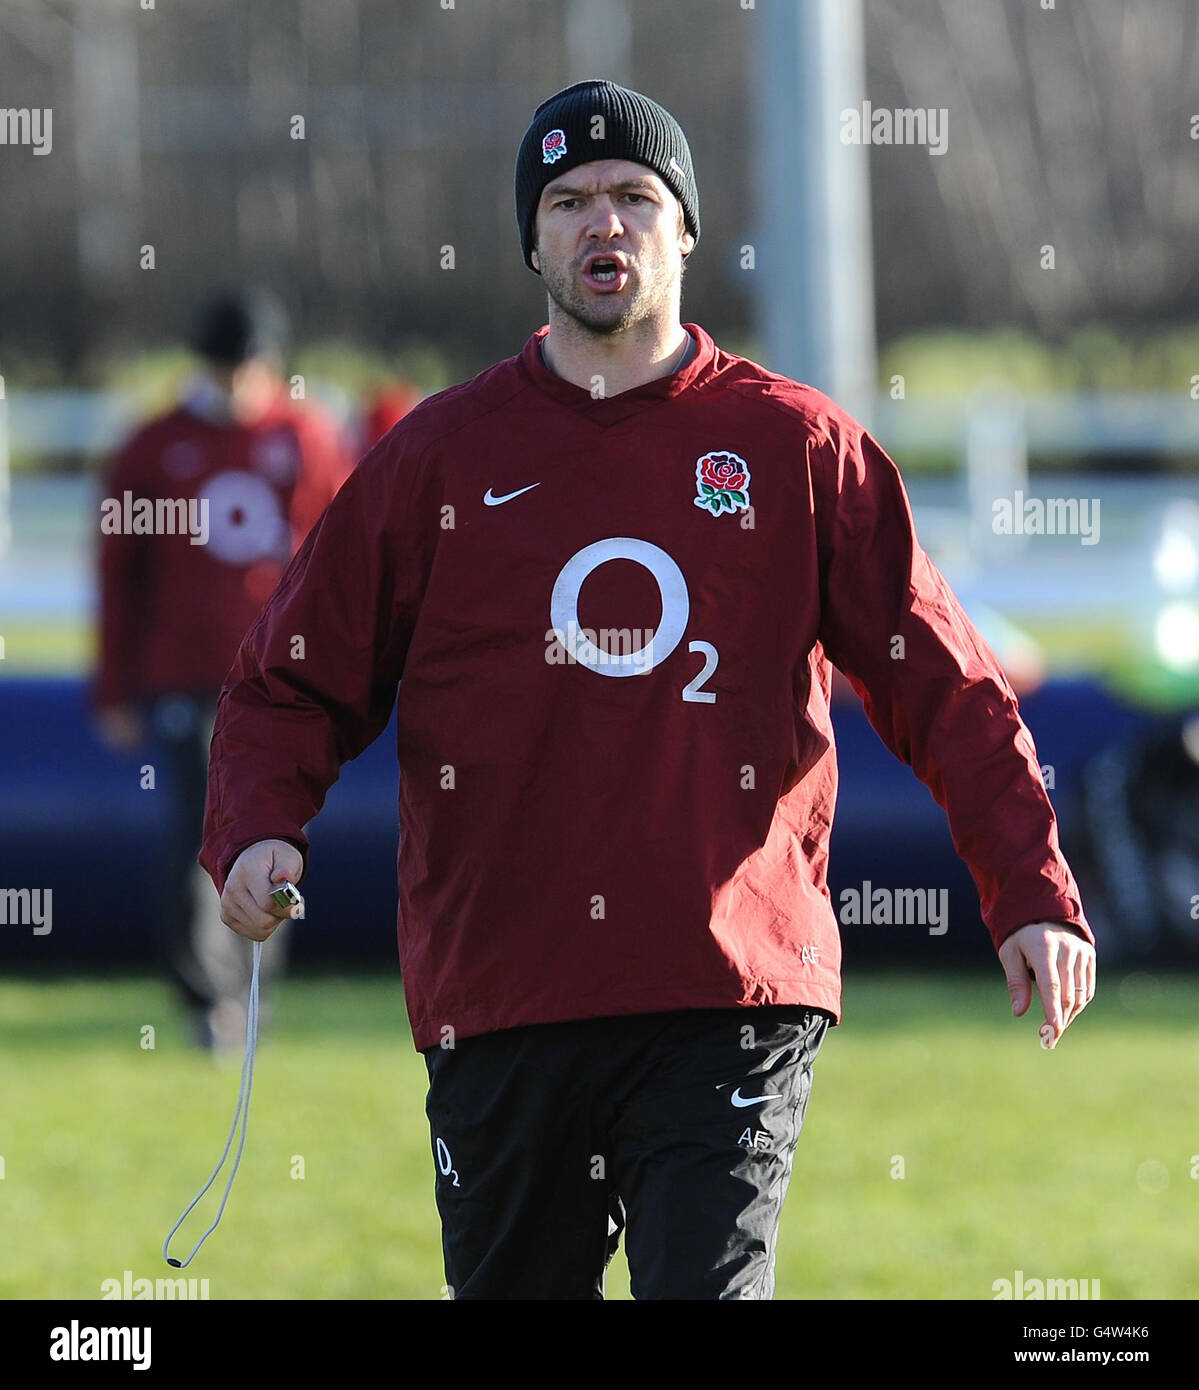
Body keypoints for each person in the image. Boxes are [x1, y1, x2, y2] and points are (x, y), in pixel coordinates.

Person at [199, 81, 1096, 1299]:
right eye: (567, 202)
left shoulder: (796, 448)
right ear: (532, 239)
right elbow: (287, 684)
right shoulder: (437, 459)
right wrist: (256, 829)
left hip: (726, 985)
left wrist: (1028, 888)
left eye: (632, 197)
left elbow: (947, 682)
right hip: (502, 991)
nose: (600, 224)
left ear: (682, 233)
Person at [95, 289, 353, 1051]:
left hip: (279, 683)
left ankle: (253, 991)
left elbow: (340, 566)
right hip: (182, 677)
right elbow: (119, 574)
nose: (238, 381)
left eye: (248, 366)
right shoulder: (152, 445)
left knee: (273, 835)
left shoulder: (305, 438)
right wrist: (114, 686)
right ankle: (204, 1000)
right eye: (225, 365)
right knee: (193, 840)